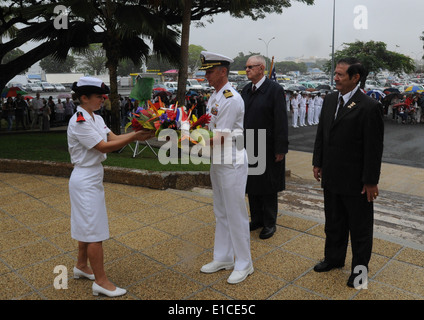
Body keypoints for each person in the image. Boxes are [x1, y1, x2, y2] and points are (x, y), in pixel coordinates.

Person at [67, 76, 154, 297]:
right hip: (85, 177)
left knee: (87, 225)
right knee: (95, 231)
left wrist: (139, 135)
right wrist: (135, 135)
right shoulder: (79, 120)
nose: (102, 99)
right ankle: (101, 281)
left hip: (92, 176)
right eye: (99, 96)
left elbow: (113, 137)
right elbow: (104, 147)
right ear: (84, 98)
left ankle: (81, 266)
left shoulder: (94, 117)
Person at [312, 57, 384, 289]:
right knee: (333, 223)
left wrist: (371, 181)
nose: (335, 78)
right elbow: (322, 133)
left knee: (360, 230)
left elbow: (373, 148)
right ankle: (333, 259)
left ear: (356, 78)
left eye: (341, 75)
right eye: (335, 73)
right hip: (331, 176)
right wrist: (318, 161)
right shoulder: (330, 99)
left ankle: (359, 271)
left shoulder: (369, 107)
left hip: (356, 182)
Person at [199, 51, 253, 284]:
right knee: (221, 211)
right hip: (218, 161)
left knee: (236, 213)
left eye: (210, 71)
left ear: (223, 71)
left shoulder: (230, 98)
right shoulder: (215, 97)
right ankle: (223, 257)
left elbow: (220, 137)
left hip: (231, 161)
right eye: (206, 72)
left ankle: (244, 263)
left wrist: (190, 141)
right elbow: (209, 127)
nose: (207, 76)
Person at [241, 55, 289, 240]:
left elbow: (281, 121)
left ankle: (270, 223)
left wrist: (280, 148)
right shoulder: (246, 90)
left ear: (261, 68)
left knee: (268, 185)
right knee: (252, 184)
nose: (247, 70)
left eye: (250, 67)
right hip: (249, 144)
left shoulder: (274, 90)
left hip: (268, 146)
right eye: (246, 67)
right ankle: (257, 219)